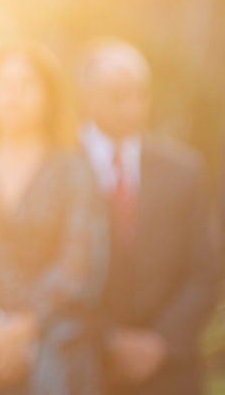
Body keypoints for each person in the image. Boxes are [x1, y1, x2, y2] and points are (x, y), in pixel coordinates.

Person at [0, 42, 107, 395]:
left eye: (26, 85)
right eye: (4, 85)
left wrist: (24, 327)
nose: (13, 96)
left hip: (57, 346)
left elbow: (80, 263)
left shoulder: (74, 170)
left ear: (49, 97)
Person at [78, 39, 219, 395]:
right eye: (117, 95)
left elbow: (205, 270)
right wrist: (108, 339)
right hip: (82, 364)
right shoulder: (61, 166)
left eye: (141, 94)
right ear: (88, 96)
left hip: (169, 368)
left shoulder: (183, 171)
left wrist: (159, 342)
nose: (132, 106)